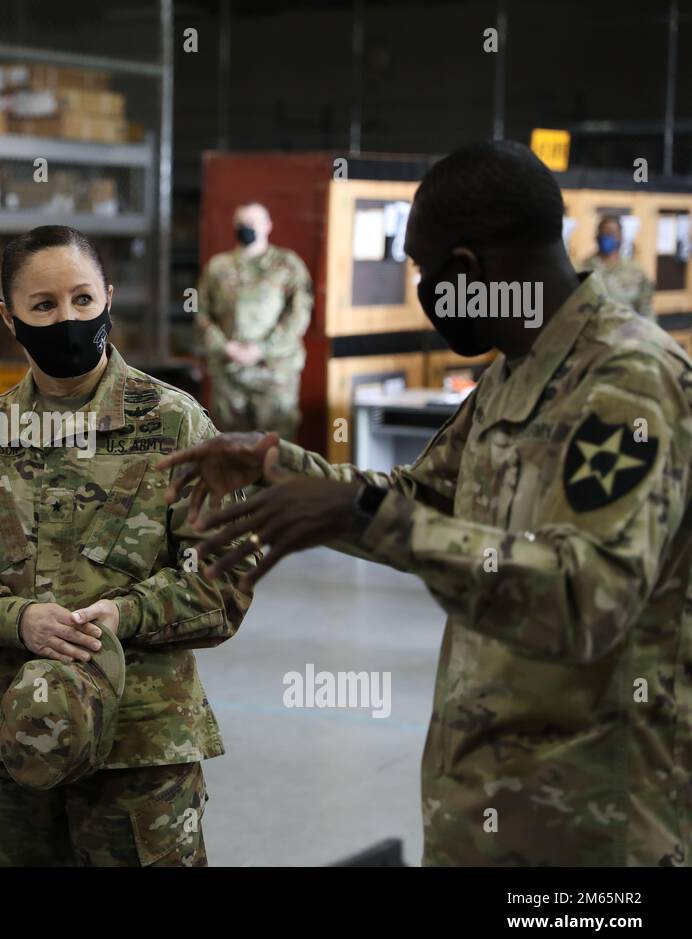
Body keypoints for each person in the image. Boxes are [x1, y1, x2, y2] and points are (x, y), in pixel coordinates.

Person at [161, 141, 692, 867]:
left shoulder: (628, 380)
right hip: (495, 807)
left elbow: (588, 595)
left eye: (422, 269)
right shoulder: (519, 372)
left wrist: (362, 517)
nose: (422, 287)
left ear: (468, 271)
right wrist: (277, 468)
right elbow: (421, 496)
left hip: (595, 833)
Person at [0, 225, 255, 866]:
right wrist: (16, 619)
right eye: (43, 306)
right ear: (11, 318)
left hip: (138, 746)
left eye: (83, 299)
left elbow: (225, 578)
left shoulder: (175, 424)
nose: (67, 318)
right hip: (4, 746)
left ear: (108, 298)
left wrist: (126, 613)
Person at [196, 202, 313, 437]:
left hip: (273, 374)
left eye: (252, 223)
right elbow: (200, 312)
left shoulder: (287, 265)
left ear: (268, 226)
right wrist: (224, 346)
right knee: (228, 449)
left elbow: (298, 315)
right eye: (241, 224)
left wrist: (261, 349)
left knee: (277, 454)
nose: (246, 228)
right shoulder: (218, 267)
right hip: (229, 376)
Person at [578, 214, 655, 318]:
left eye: (610, 233)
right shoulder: (582, 269)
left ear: (620, 237)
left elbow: (646, 309)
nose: (606, 237)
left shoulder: (636, 271)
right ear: (596, 237)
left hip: (625, 331)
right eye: (602, 233)